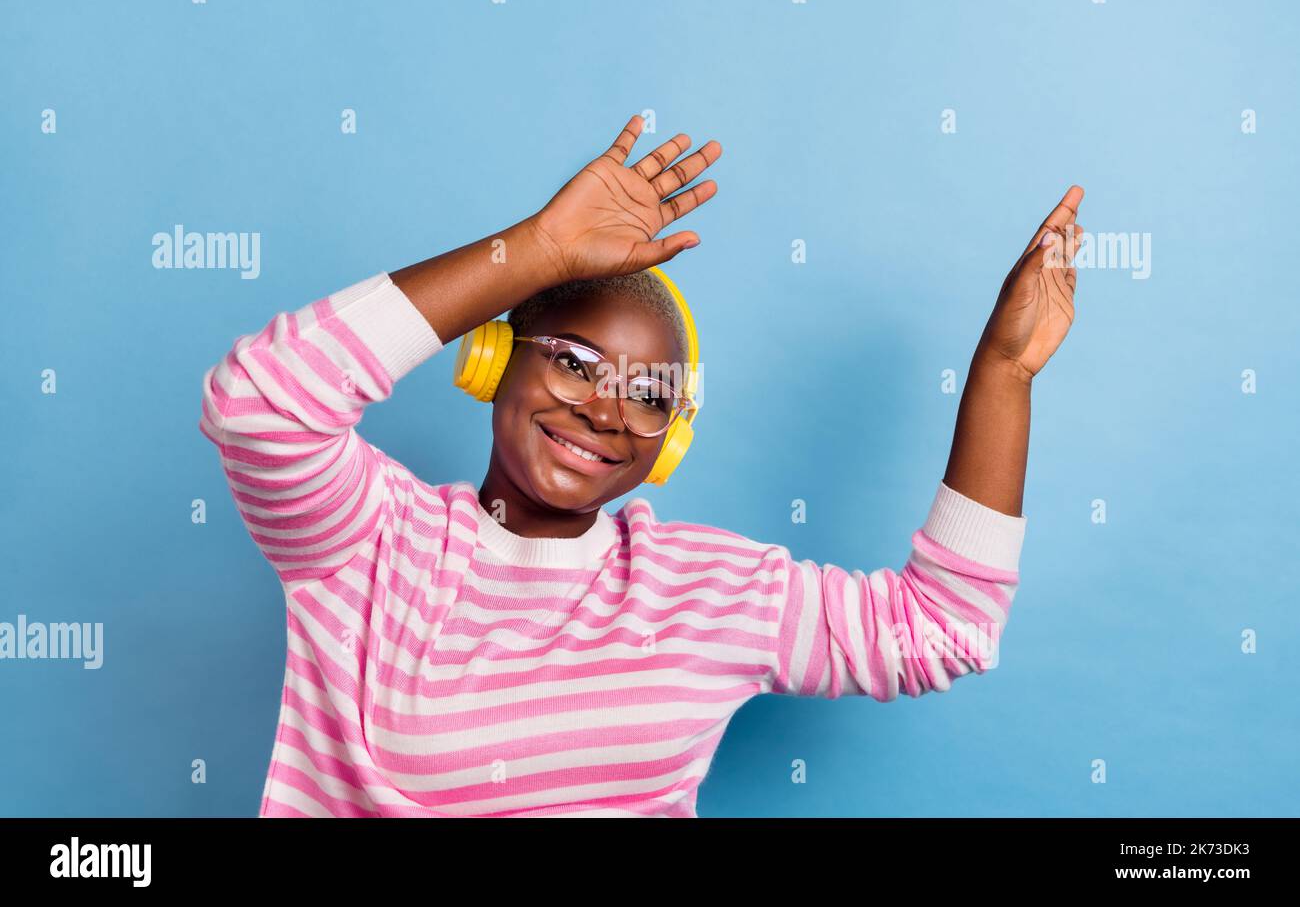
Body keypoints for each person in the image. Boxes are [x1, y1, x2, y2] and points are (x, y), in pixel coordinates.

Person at [199, 113, 1084, 817]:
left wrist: (1003, 375)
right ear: (494, 359)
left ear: (672, 439)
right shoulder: (369, 544)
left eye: (651, 394)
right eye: (575, 363)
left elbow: (945, 629)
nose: (607, 410)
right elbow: (258, 404)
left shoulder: (707, 591)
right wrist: (537, 251)